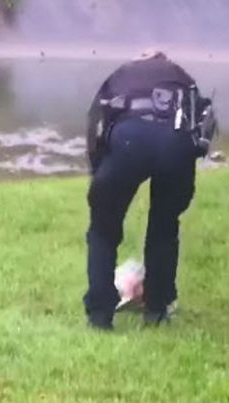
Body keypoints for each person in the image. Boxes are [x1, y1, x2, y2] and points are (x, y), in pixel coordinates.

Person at [83, 49, 217, 330]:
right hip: (176, 143)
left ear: (140, 60)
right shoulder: (182, 77)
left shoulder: (121, 75)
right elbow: (203, 126)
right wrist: (183, 170)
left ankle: (100, 316)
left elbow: (96, 124)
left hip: (128, 140)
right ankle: (156, 309)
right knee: (164, 227)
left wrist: (99, 178)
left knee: (102, 230)